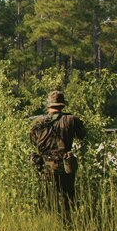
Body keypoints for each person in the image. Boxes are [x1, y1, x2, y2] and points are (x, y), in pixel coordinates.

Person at [29, 90, 86, 222]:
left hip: (45, 166)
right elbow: (81, 135)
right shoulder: (72, 120)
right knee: (68, 201)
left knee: (47, 200)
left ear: (48, 105)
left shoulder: (37, 122)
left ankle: (49, 225)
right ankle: (68, 227)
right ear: (63, 105)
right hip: (65, 166)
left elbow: (33, 142)